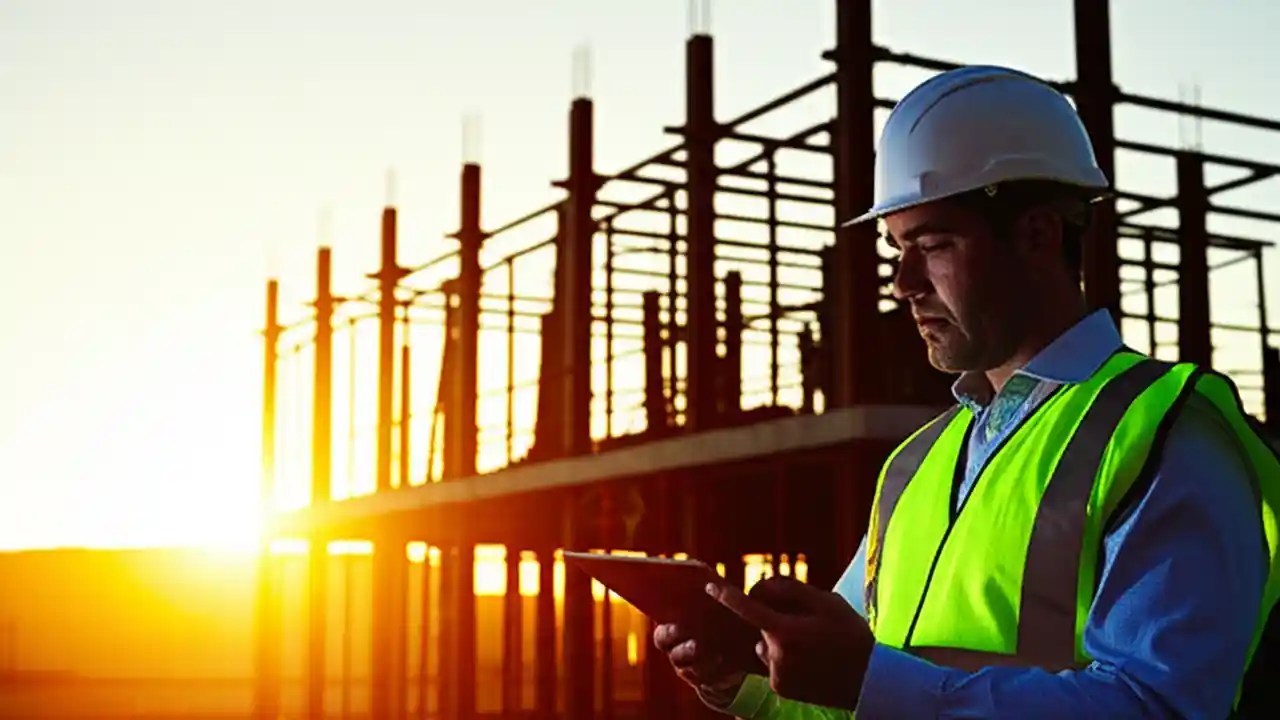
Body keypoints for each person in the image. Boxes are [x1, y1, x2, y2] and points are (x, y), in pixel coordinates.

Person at [654, 65, 1280, 718]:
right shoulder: (914, 467)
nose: (902, 282)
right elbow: (852, 693)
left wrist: (869, 682)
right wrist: (748, 682)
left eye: (933, 244)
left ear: (1038, 235)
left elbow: (1163, 708)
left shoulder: (1165, 435)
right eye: (896, 247)